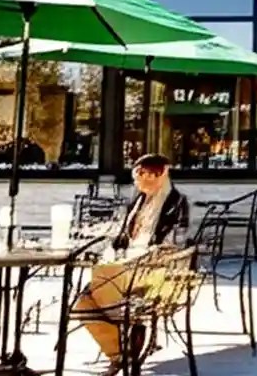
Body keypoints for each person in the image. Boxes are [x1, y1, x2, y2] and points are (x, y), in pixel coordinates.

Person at [72, 154, 189, 374]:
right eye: (137, 175)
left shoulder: (175, 203)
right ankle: (120, 352)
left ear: (160, 175)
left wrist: (145, 254)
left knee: (100, 278)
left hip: (155, 272)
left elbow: (174, 245)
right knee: (82, 305)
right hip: (128, 267)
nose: (138, 180)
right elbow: (123, 238)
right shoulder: (139, 201)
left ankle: (124, 334)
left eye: (143, 175)